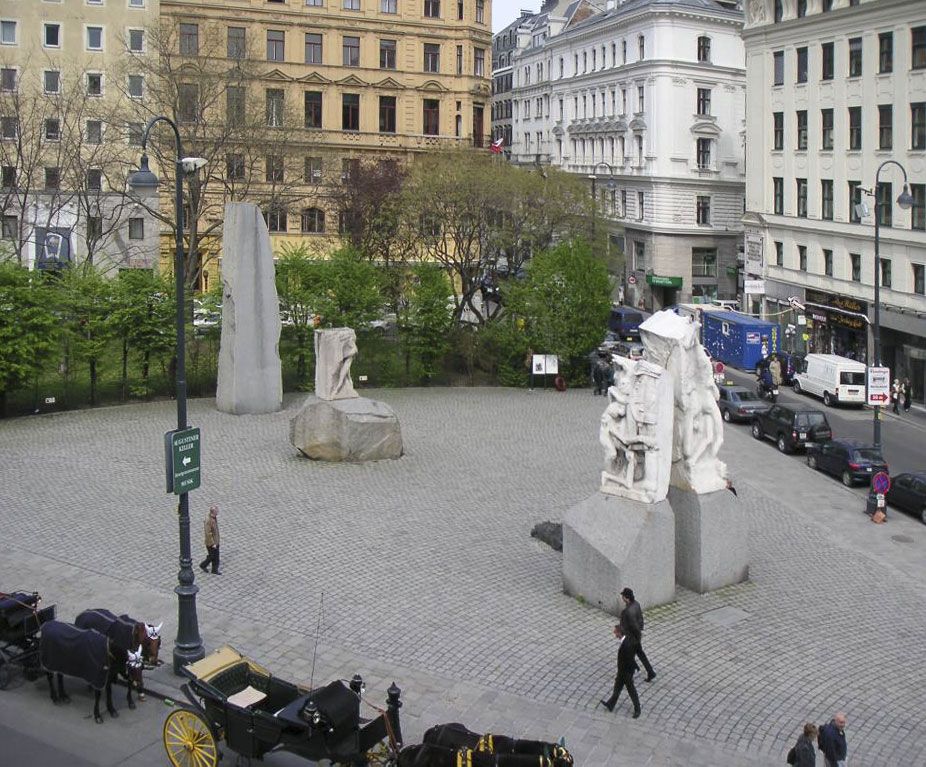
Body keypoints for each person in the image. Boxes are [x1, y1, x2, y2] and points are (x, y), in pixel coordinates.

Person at [598, 624, 641, 718]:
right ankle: (611, 704)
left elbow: (629, 659)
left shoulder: (626, 645)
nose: (614, 633)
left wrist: (632, 669)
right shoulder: (626, 640)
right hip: (622, 671)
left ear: (620, 633)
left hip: (626, 672)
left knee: (631, 690)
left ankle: (637, 709)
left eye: (615, 632)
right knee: (617, 687)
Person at [618, 587, 656, 682]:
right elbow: (640, 619)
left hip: (631, 637)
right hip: (636, 636)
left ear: (626, 598)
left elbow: (633, 625)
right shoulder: (636, 604)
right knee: (640, 654)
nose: (622, 598)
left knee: (627, 656)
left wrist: (634, 635)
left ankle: (629, 677)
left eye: (623, 596)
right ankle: (650, 671)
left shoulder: (628, 611)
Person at [199, 505, 221, 575]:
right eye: (217, 511)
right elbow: (208, 533)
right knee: (213, 556)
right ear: (213, 512)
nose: (218, 512)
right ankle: (203, 565)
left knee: (215, 556)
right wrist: (213, 543)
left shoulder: (214, 518)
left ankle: (214, 569)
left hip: (215, 541)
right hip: (211, 543)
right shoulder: (208, 520)